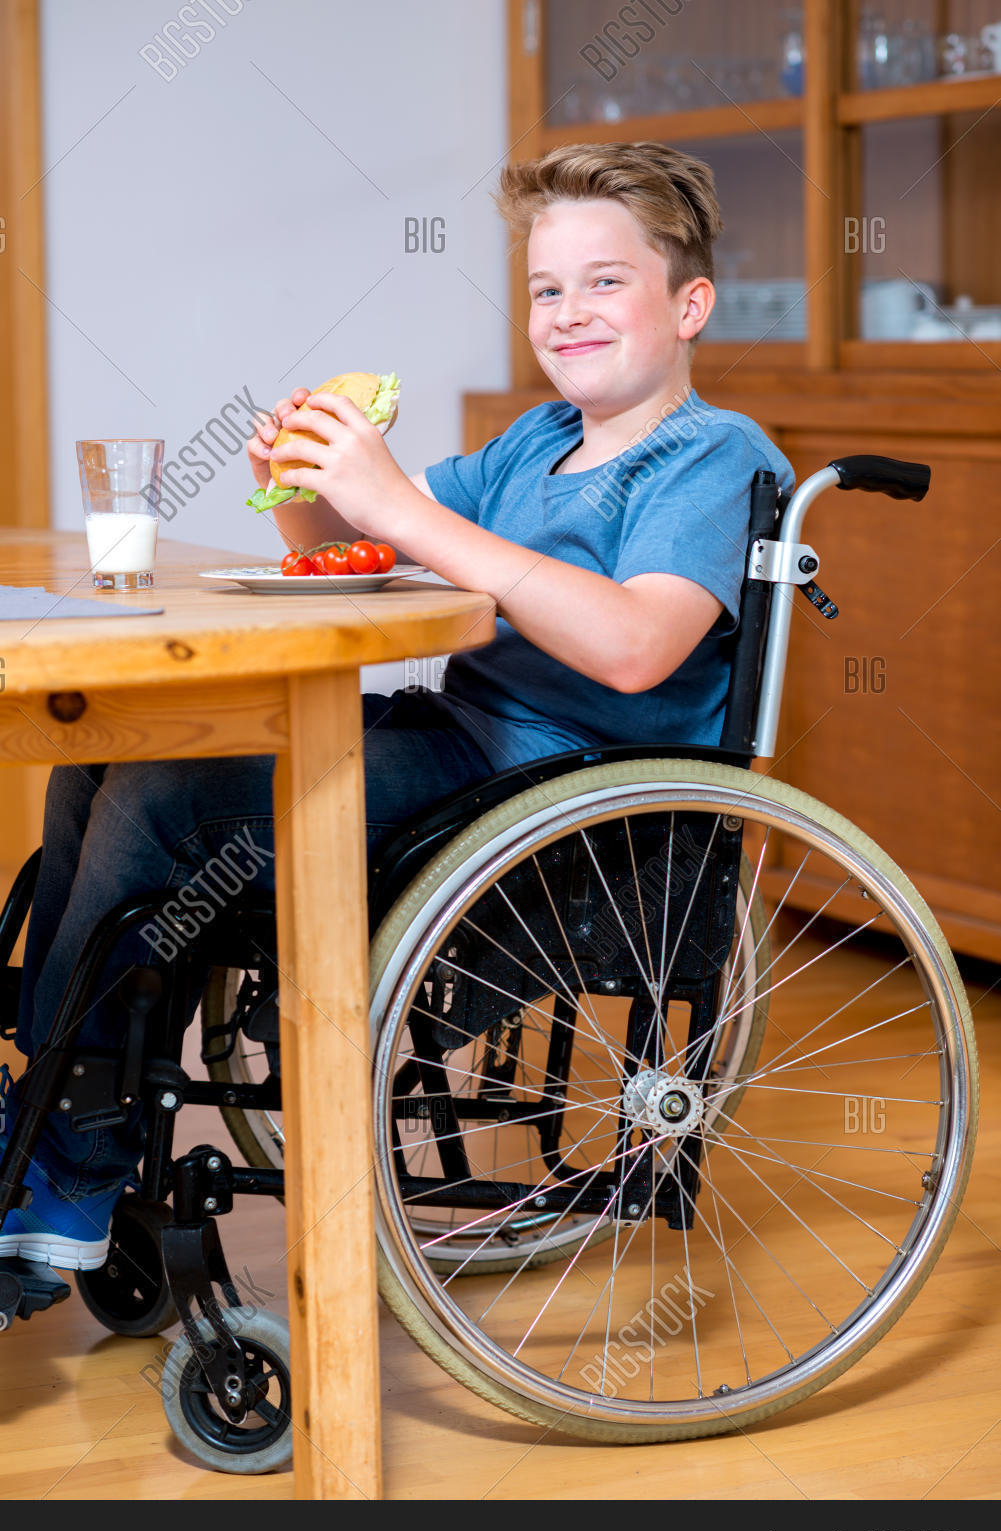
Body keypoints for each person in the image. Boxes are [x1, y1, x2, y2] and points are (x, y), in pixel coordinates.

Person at [0, 140, 794, 1271]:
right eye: (544, 289)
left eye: (604, 282)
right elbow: (359, 552)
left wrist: (402, 512)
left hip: (554, 803)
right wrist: (308, 486)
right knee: (108, 750)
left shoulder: (709, 458)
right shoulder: (536, 442)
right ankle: (57, 1102)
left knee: (167, 798)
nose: (567, 311)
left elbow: (632, 645)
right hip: (458, 750)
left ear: (689, 304)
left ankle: (65, 1155)